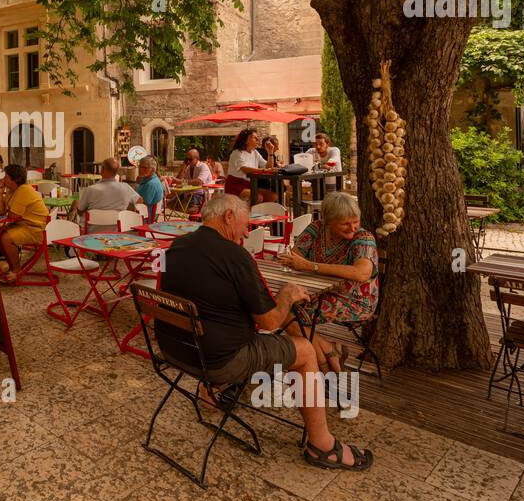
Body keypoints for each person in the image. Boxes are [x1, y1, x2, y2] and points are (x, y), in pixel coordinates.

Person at [160, 193, 373, 471]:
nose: (247, 232)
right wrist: (285, 295)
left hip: (175, 350)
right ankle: (321, 445)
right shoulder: (236, 256)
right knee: (304, 349)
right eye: (245, 225)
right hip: (218, 361)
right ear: (228, 217)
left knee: (277, 334)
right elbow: (271, 322)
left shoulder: (176, 247)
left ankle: (217, 390)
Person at [277, 191, 379, 373]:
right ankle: (327, 349)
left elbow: (362, 273)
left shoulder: (363, 238)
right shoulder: (316, 229)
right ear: (328, 221)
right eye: (345, 223)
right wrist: (301, 263)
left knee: (286, 313)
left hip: (354, 300)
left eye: (356, 221)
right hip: (316, 292)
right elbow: (295, 256)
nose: (353, 227)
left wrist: (311, 266)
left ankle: (318, 363)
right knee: (280, 307)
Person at [0, 163, 49, 284]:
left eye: (6, 177)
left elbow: (12, 215)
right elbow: (0, 212)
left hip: (36, 228)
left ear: (15, 180)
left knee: (5, 238)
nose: (3, 180)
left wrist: (6, 211)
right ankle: (12, 265)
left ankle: (16, 270)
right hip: (23, 224)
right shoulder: (12, 190)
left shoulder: (23, 190)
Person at [72, 155, 140, 230]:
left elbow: (80, 211)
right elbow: (139, 200)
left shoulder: (90, 189)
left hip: (91, 231)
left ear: (102, 170)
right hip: (117, 231)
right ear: (116, 172)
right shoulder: (126, 188)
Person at [224, 127, 277, 202]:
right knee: (258, 197)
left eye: (257, 138)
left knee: (272, 196)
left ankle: (260, 213)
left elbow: (269, 167)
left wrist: (270, 152)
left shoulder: (254, 152)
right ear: (246, 140)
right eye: (254, 138)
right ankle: (250, 213)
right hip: (235, 185)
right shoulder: (237, 152)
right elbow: (245, 169)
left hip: (249, 184)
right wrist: (264, 171)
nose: (257, 140)